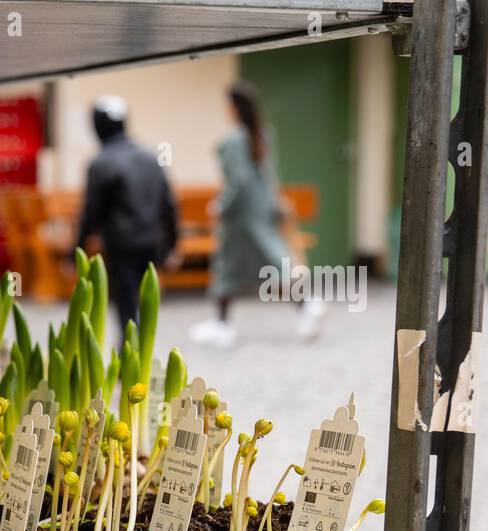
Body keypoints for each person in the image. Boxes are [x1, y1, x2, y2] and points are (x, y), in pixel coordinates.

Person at [191, 81, 324, 348]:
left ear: (232, 107)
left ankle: (224, 325)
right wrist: (275, 203)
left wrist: (220, 206)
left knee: (235, 269)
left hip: (239, 218)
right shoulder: (262, 134)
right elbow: (268, 176)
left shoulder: (233, 140)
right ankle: (303, 306)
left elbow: (237, 181)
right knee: (264, 267)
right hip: (260, 212)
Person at [76, 96, 179, 332]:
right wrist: (173, 244)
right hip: (151, 241)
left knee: (126, 301)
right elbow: (168, 204)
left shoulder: (101, 162)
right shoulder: (150, 157)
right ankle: (141, 350)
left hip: (121, 244)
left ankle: (129, 353)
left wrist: (76, 250)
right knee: (148, 299)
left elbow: (90, 211)